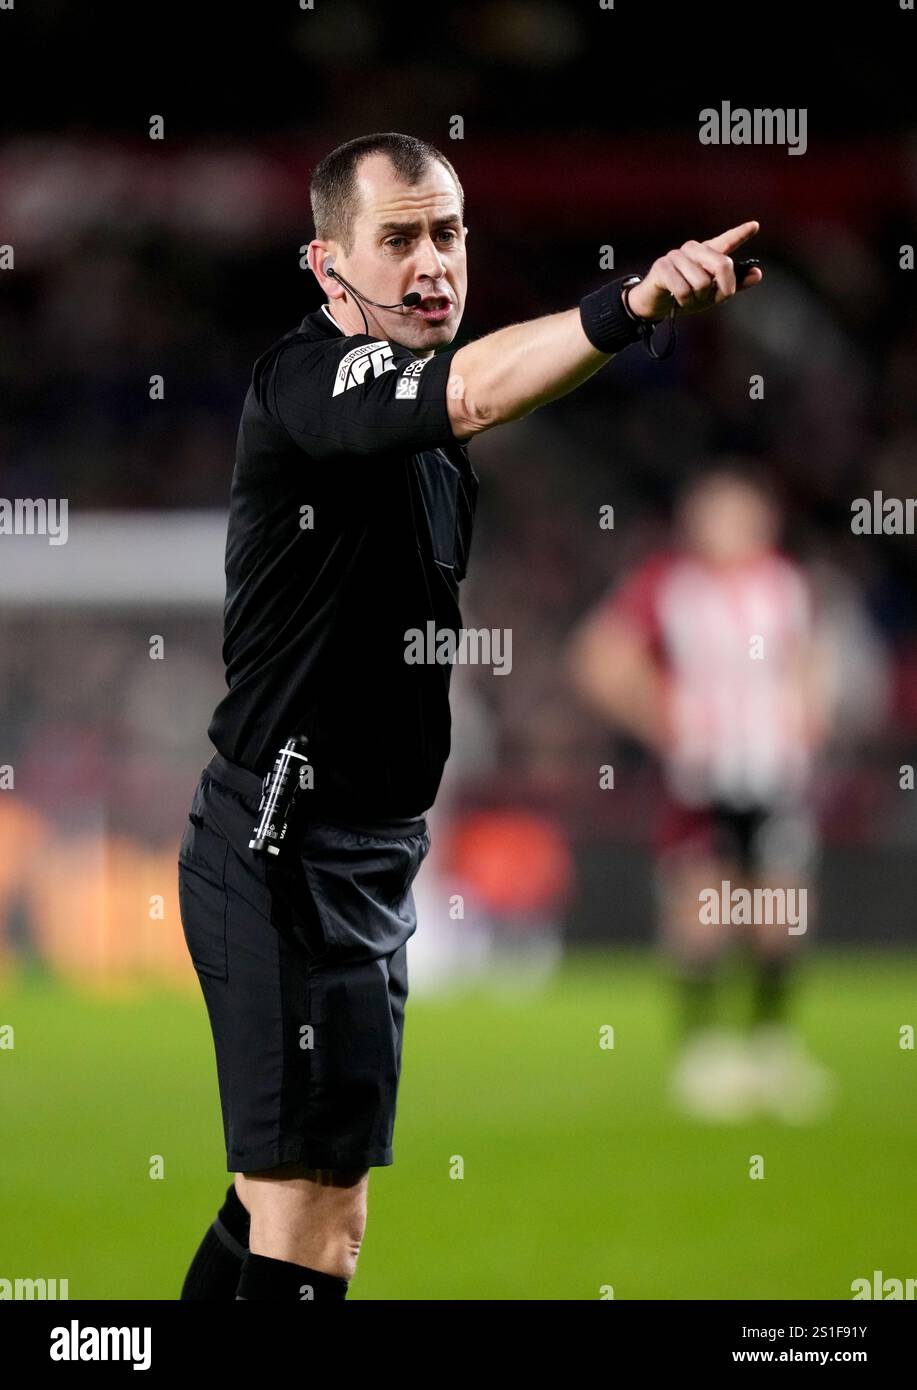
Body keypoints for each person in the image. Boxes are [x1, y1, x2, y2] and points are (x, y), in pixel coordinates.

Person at [178, 129, 763, 1301]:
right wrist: (631, 301)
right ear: (323, 264)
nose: (432, 261)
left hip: (369, 858)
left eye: (447, 232)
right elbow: (478, 384)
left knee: (287, 1200)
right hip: (281, 847)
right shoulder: (306, 385)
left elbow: (469, 395)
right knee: (313, 1211)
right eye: (396, 239)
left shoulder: (437, 451)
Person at [568, 465, 837, 1123]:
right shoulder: (669, 586)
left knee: (778, 904)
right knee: (703, 899)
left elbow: (807, 661)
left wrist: (807, 716)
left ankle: (770, 1045)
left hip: (771, 770)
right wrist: (663, 720)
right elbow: (598, 657)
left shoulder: (784, 585)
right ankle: (704, 1051)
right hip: (702, 772)